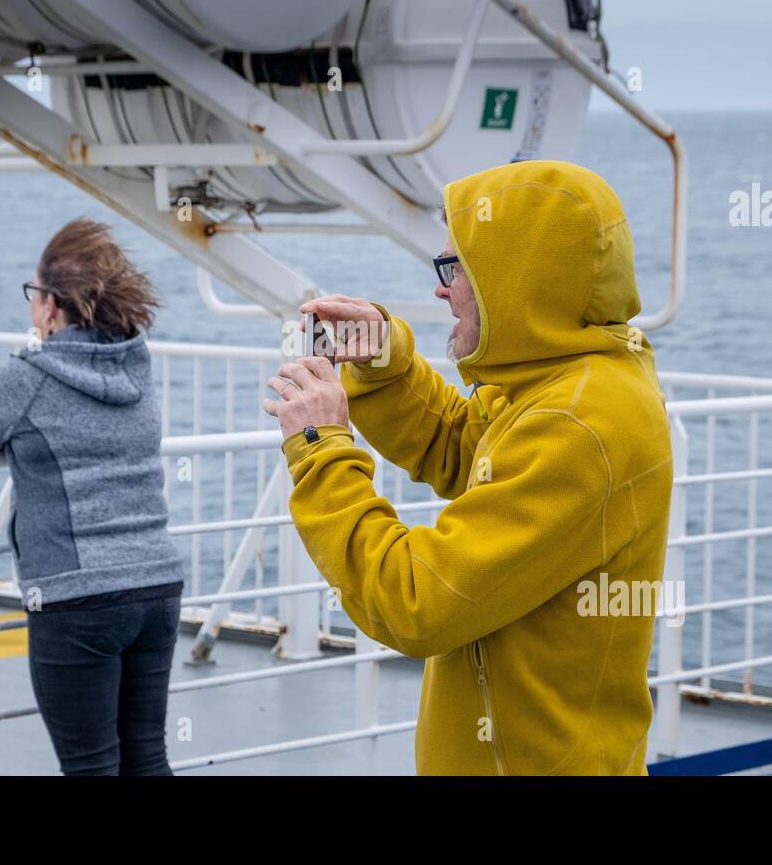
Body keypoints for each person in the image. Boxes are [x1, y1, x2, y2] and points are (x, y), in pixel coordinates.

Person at [263, 159, 673, 775]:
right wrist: (384, 361)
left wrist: (322, 450)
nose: (441, 287)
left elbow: (414, 602)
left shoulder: (575, 424)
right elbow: (463, 449)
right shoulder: (565, 378)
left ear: (520, 279)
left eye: (457, 268)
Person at [0, 217, 183, 776]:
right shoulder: (136, 364)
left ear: (52, 305)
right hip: (156, 583)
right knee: (147, 760)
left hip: (75, 596)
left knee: (91, 768)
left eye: (35, 295)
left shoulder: (29, 374)